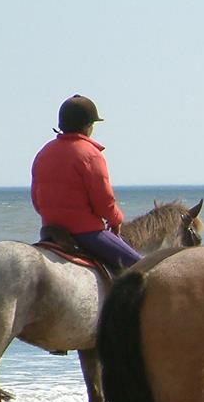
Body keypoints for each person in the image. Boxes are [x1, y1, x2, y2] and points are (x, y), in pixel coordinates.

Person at [31, 94, 142, 270]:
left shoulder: (43, 153)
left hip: (50, 232)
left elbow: (37, 202)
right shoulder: (90, 154)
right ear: (88, 126)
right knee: (141, 267)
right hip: (86, 233)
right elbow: (104, 201)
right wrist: (116, 220)